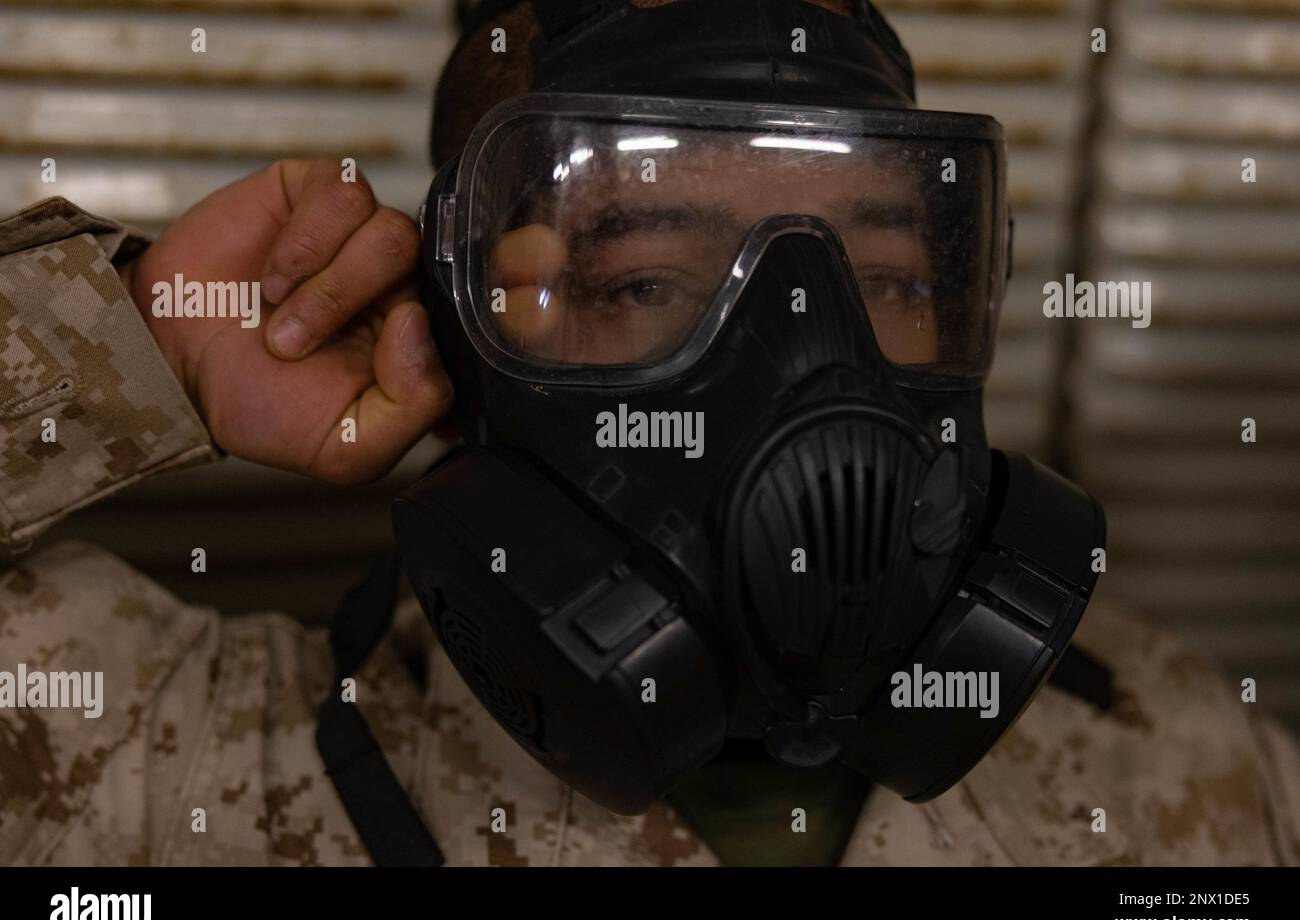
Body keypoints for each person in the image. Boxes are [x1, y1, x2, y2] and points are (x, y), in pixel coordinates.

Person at [1, 0, 1297, 868]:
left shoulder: (1185, 761)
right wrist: (131, 345)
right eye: (644, 284)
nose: (801, 362)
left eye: (888, 279)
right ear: (454, 331)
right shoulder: (158, 778)